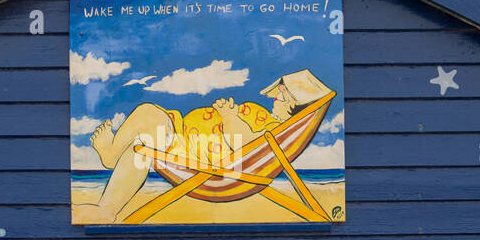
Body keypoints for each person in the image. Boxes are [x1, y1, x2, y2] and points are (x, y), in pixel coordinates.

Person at [75, 69, 331, 224]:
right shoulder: (275, 126)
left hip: (203, 162)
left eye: (282, 94)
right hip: (191, 145)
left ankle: (110, 157)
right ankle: (106, 210)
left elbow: (246, 144)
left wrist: (230, 117)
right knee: (138, 149)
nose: (276, 95)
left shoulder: (272, 132)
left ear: (294, 105)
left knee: (148, 115)